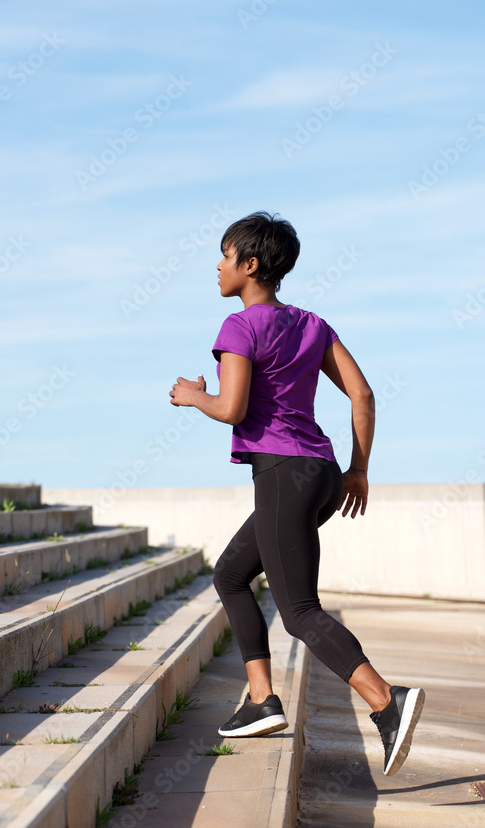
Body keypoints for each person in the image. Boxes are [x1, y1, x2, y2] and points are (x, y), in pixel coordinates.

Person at [169, 211, 424, 775]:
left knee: (300, 610)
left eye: (225, 255)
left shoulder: (238, 327)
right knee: (231, 574)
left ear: (250, 265)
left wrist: (192, 397)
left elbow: (231, 409)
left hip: (283, 475)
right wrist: (358, 470)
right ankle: (261, 699)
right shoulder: (313, 325)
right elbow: (363, 394)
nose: (217, 266)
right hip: (323, 474)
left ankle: (387, 702)